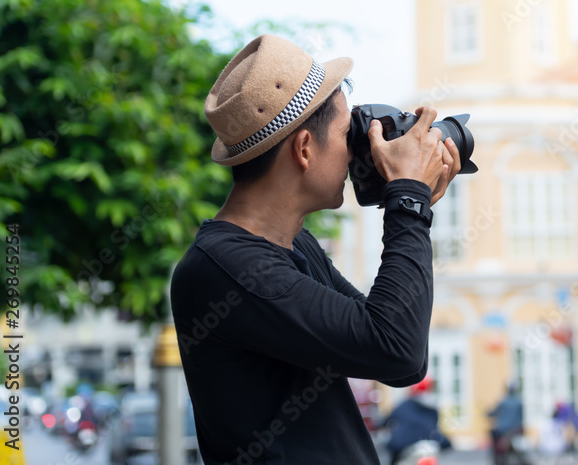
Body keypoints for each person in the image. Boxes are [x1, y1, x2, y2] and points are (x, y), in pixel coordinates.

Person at [170, 34, 463, 464]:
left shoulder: (292, 245)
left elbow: (402, 360)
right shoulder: (226, 269)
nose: (356, 152)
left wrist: (410, 200)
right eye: (348, 134)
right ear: (305, 149)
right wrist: (407, 201)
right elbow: (395, 345)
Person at [378, 377, 452, 465]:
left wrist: (378, 425)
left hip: (405, 444)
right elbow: (435, 426)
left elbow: (386, 420)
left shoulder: (405, 404)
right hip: (431, 443)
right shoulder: (433, 408)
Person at [487, 382, 525, 464]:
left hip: (503, 430)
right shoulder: (519, 402)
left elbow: (494, 412)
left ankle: (498, 460)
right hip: (515, 430)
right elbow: (521, 417)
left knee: (497, 448)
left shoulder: (503, 401)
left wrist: (487, 412)